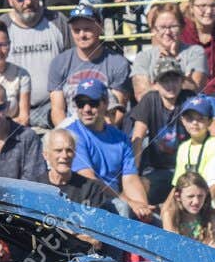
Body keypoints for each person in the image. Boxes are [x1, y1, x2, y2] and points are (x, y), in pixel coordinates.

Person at [65, 79, 152, 218]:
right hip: (86, 202)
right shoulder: (71, 135)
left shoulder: (120, 138)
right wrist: (129, 202)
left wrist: (142, 207)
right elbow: (89, 179)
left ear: (105, 103)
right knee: (122, 208)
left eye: (92, 103)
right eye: (81, 103)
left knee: (156, 223)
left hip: (115, 200)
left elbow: (130, 178)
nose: (86, 109)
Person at [47, 4, 133, 127]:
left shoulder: (118, 63)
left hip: (105, 128)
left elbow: (117, 111)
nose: (82, 35)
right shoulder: (59, 63)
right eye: (77, 30)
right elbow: (58, 110)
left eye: (87, 29)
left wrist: (98, 134)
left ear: (100, 27)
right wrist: (71, 135)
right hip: (72, 130)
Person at [3, 0, 67, 128]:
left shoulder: (58, 21)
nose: (28, 2)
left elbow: (74, 61)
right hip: (12, 112)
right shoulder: (0, 27)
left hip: (54, 108)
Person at [129, 57, 193, 202]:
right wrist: (133, 173)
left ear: (182, 81)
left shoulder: (189, 99)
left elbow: (204, 127)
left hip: (185, 168)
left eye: (175, 79)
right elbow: (137, 137)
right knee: (141, 187)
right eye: (165, 80)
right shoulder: (150, 100)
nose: (171, 85)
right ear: (155, 84)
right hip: (155, 167)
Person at [129, 2, 206, 103]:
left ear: (182, 27)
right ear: (154, 30)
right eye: (162, 27)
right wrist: (182, 80)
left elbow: (195, 89)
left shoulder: (195, 52)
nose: (168, 32)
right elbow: (142, 96)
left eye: (173, 26)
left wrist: (155, 84)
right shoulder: (143, 57)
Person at [44, 127, 119, 210]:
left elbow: (94, 220)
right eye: (58, 150)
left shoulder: (91, 189)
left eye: (69, 150)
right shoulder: (35, 186)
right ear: (46, 155)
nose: (65, 155)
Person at [172, 94, 215, 182]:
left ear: (209, 121)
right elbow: (178, 183)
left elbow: (213, 182)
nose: (195, 123)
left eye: (200, 118)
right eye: (190, 118)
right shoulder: (183, 147)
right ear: (183, 121)